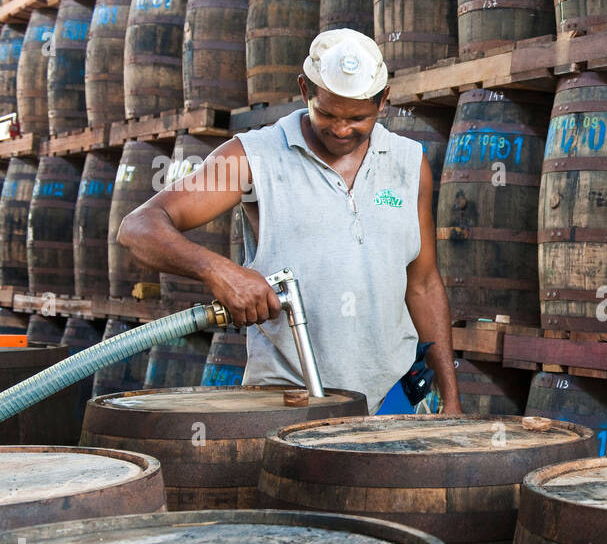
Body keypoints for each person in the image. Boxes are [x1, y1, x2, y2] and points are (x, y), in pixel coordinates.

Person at [118, 28, 462, 415]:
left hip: (393, 405)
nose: (342, 129)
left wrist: (451, 398)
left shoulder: (408, 162)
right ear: (304, 90)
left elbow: (423, 283)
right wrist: (219, 271)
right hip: (289, 405)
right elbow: (138, 228)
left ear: (383, 100)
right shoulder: (253, 157)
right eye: (327, 113)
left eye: (358, 118)